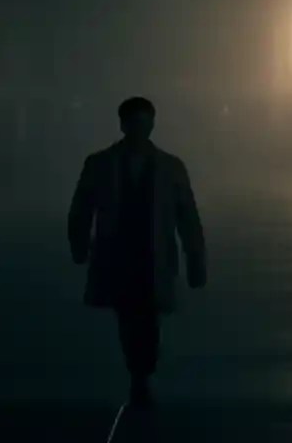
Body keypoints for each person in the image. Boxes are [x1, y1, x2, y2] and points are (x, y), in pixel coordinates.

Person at [68, 96, 207, 408]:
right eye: (135, 123)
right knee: (131, 315)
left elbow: (188, 216)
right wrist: (79, 244)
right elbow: (81, 209)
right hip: (119, 253)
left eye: (144, 123)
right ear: (124, 124)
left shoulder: (171, 167)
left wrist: (196, 258)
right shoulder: (100, 164)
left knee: (146, 315)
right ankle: (139, 372)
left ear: (152, 124)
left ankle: (141, 371)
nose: (140, 129)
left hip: (153, 253)